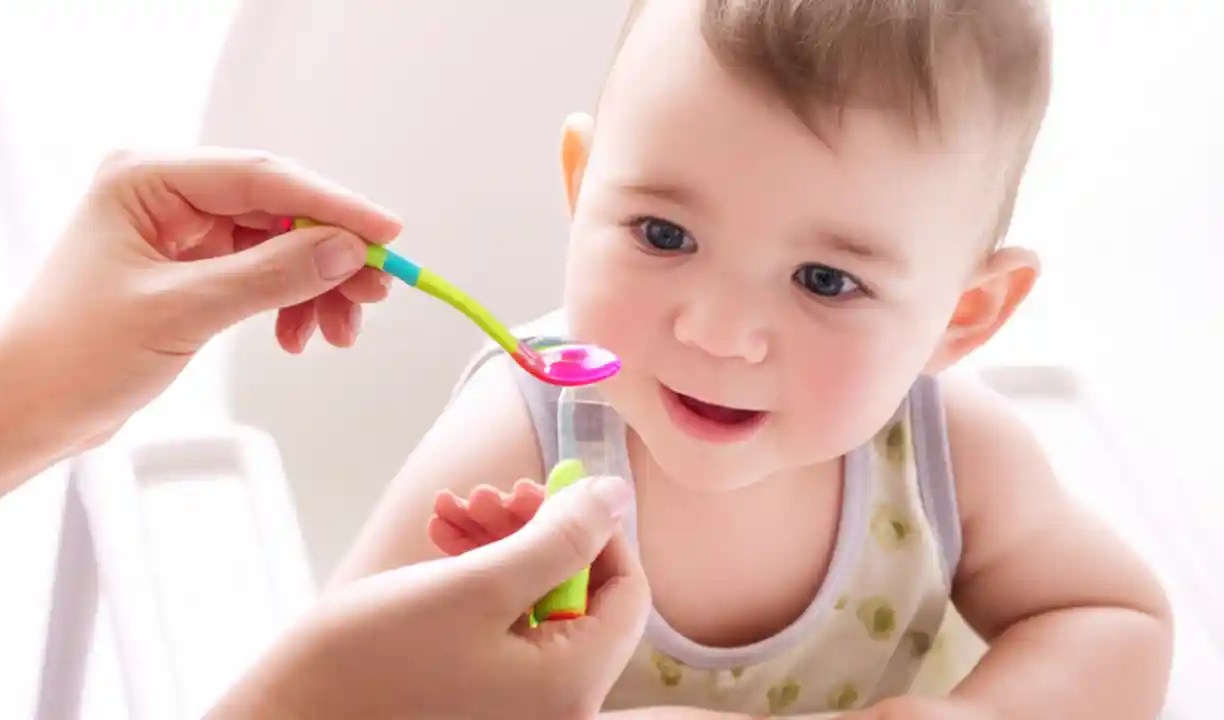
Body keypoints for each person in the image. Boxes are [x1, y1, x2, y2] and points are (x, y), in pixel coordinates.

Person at [330, 1, 1174, 718]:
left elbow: (1115, 620)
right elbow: (327, 684)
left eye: (825, 280)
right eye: (665, 234)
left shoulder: (946, 458)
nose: (718, 333)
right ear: (583, 190)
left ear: (962, 315)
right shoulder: (521, 443)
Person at [0, 148, 652, 719]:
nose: (710, 331)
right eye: (663, 235)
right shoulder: (515, 416)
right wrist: (305, 706)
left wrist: (23, 393)